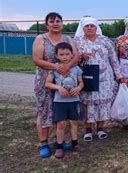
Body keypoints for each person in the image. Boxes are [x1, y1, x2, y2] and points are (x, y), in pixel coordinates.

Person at [32, 12, 79, 158]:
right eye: (52, 21)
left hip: (65, 79)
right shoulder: (41, 38)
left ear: (62, 23)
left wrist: (68, 65)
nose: (55, 23)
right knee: (44, 110)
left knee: (60, 111)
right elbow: (37, 59)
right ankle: (44, 143)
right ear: (47, 24)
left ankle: (59, 140)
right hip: (46, 79)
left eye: (58, 21)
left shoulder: (67, 39)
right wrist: (57, 67)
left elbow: (76, 56)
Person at [74, 16, 122, 141]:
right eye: (87, 26)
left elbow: (113, 58)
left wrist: (119, 75)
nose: (89, 28)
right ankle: (88, 130)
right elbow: (72, 59)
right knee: (88, 103)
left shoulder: (105, 40)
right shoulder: (77, 41)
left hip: (105, 77)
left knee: (102, 102)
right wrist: (80, 56)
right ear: (83, 28)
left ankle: (100, 128)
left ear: (96, 27)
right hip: (87, 77)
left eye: (92, 26)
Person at [45, 42, 85, 158]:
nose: (65, 57)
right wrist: (58, 87)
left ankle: (75, 144)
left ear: (72, 54)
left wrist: (78, 88)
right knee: (61, 124)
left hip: (74, 100)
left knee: (74, 122)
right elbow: (47, 83)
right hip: (60, 102)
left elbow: (81, 82)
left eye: (67, 54)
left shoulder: (76, 68)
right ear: (56, 56)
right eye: (61, 54)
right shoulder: (55, 69)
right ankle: (59, 147)